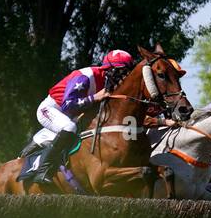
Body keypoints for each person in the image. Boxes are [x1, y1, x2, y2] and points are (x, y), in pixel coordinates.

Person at [19, 49, 134, 185]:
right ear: (109, 69)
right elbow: (68, 105)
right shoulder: (86, 76)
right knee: (70, 127)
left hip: (72, 114)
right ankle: (42, 170)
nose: (125, 75)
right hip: (51, 109)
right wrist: (95, 97)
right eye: (122, 71)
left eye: (127, 71)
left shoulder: (110, 82)